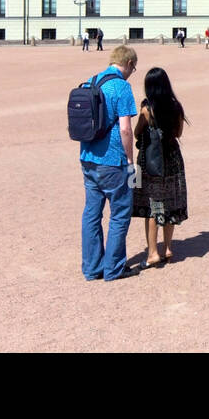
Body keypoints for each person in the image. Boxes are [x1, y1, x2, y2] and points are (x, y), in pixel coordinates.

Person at [80, 45, 140, 281]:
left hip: (87, 158)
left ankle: (92, 267)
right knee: (120, 213)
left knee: (91, 214)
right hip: (113, 161)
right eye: (133, 68)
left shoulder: (90, 81)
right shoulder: (122, 87)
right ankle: (113, 268)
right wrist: (130, 161)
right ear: (127, 63)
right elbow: (125, 128)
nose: (131, 72)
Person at [133, 67, 189, 267]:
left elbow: (137, 131)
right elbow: (178, 133)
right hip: (173, 157)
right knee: (171, 202)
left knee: (153, 206)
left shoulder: (147, 108)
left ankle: (153, 253)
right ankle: (167, 247)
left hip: (152, 160)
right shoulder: (176, 106)